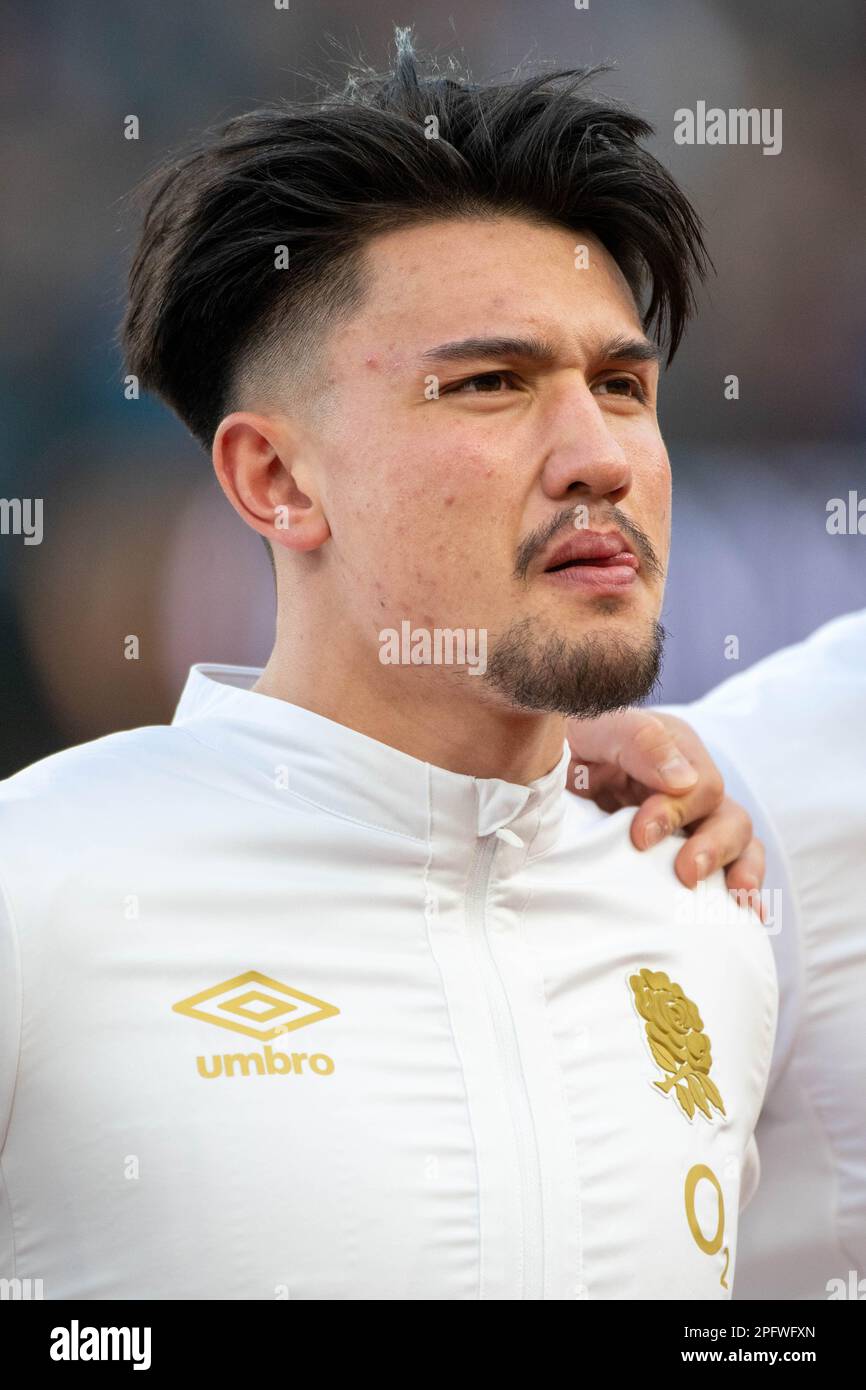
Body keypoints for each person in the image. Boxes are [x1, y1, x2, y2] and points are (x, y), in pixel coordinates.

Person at [0, 34, 776, 1300]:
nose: (600, 455)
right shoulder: (41, 886)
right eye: (488, 383)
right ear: (277, 479)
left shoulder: (701, 915)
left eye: (622, 385)